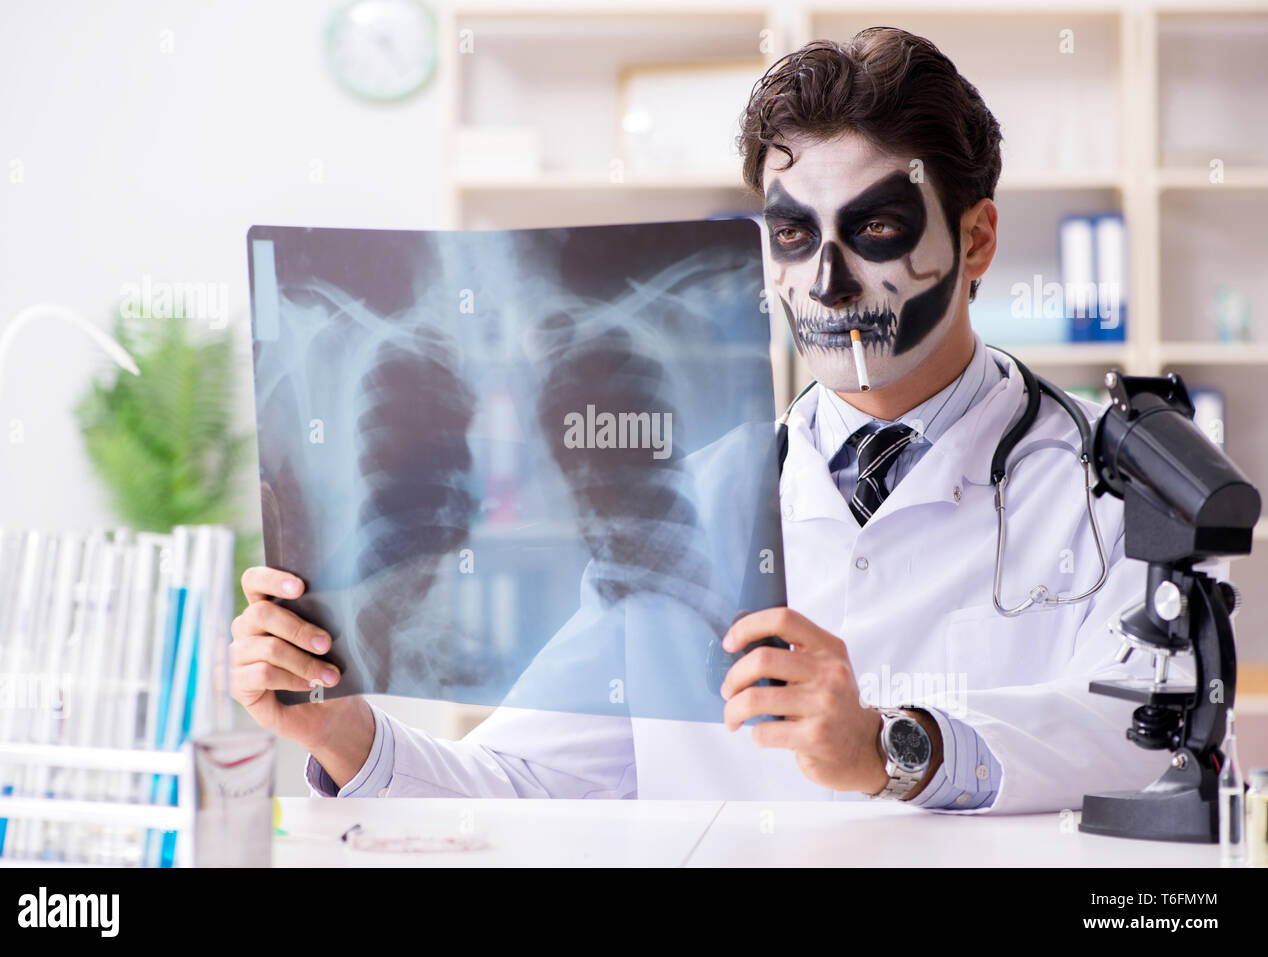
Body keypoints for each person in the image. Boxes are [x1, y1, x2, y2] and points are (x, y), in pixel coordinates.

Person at [230, 28, 1178, 812]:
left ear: (975, 239)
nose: (826, 282)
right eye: (795, 235)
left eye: (878, 228)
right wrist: (342, 733)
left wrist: (895, 746)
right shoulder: (699, 504)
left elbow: (1153, 731)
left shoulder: (1126, 480)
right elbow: (522, 782)